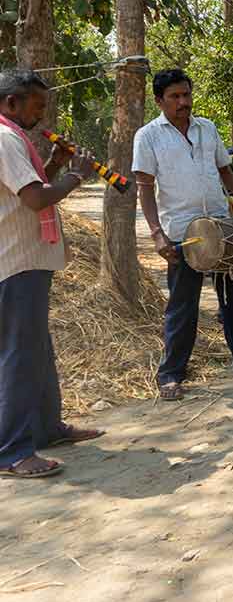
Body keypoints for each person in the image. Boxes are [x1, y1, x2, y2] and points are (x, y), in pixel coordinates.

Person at [133, 69, 233, 402]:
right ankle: (171, 375)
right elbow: (144, 187)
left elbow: (225, 171)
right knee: (182, 305)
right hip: (183, 233)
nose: (183, 102)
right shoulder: (147, 136)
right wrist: (157, 234)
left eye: (186, 94)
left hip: (220, 227)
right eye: (175, 96)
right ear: (159, 100)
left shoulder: (207, 128)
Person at [0, 70, 104, 478]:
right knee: (20, 356)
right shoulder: (5, 138)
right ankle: (11, 451)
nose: (42, 115)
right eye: (37, 106)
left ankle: (46, 428)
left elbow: (28, 187)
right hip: (16, 263)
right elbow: (35, 198)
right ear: (11, 103)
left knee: (38, 352)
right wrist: (76, 175)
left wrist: (56, 164)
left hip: (28, 262)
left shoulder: (13, 137)